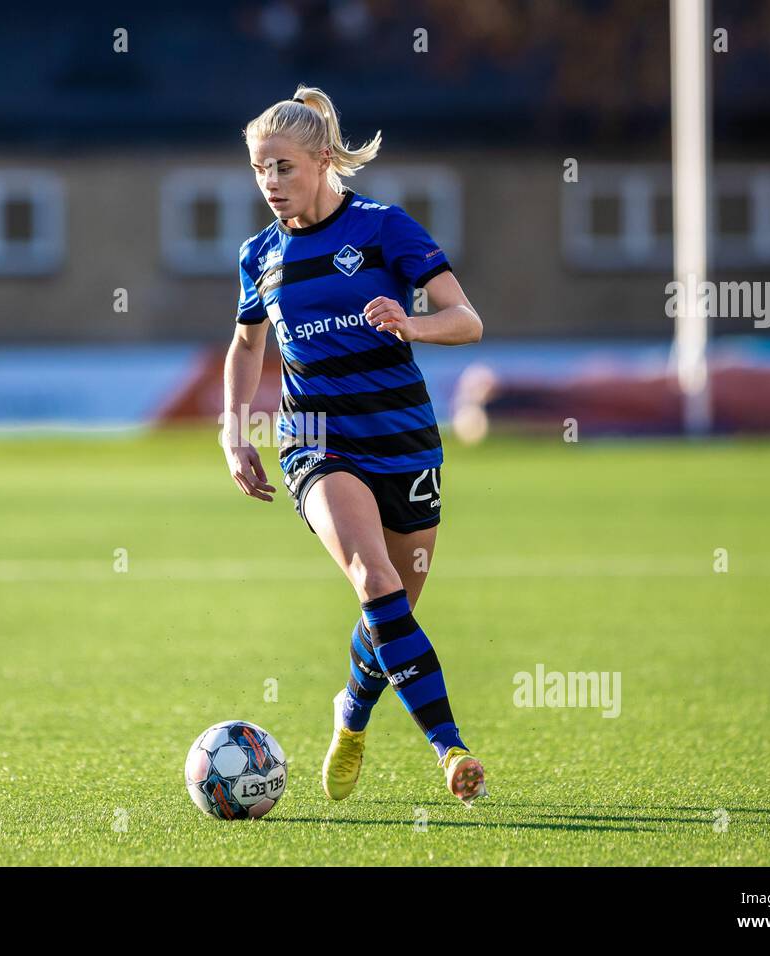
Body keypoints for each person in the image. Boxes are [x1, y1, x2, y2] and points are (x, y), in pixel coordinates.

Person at [221, 86, 486, 805]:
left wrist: (412, 323)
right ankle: (449, 748)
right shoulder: (259, 255)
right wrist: (233, 427)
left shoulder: (382, 228)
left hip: (403, 438)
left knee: (392, 608)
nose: (270, 184)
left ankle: (352, 711)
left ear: (323, 161)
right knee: (374, 581)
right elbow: (247, 348)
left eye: (283, 167)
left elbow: (466, 319)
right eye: (259, 170)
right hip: (315, 440)